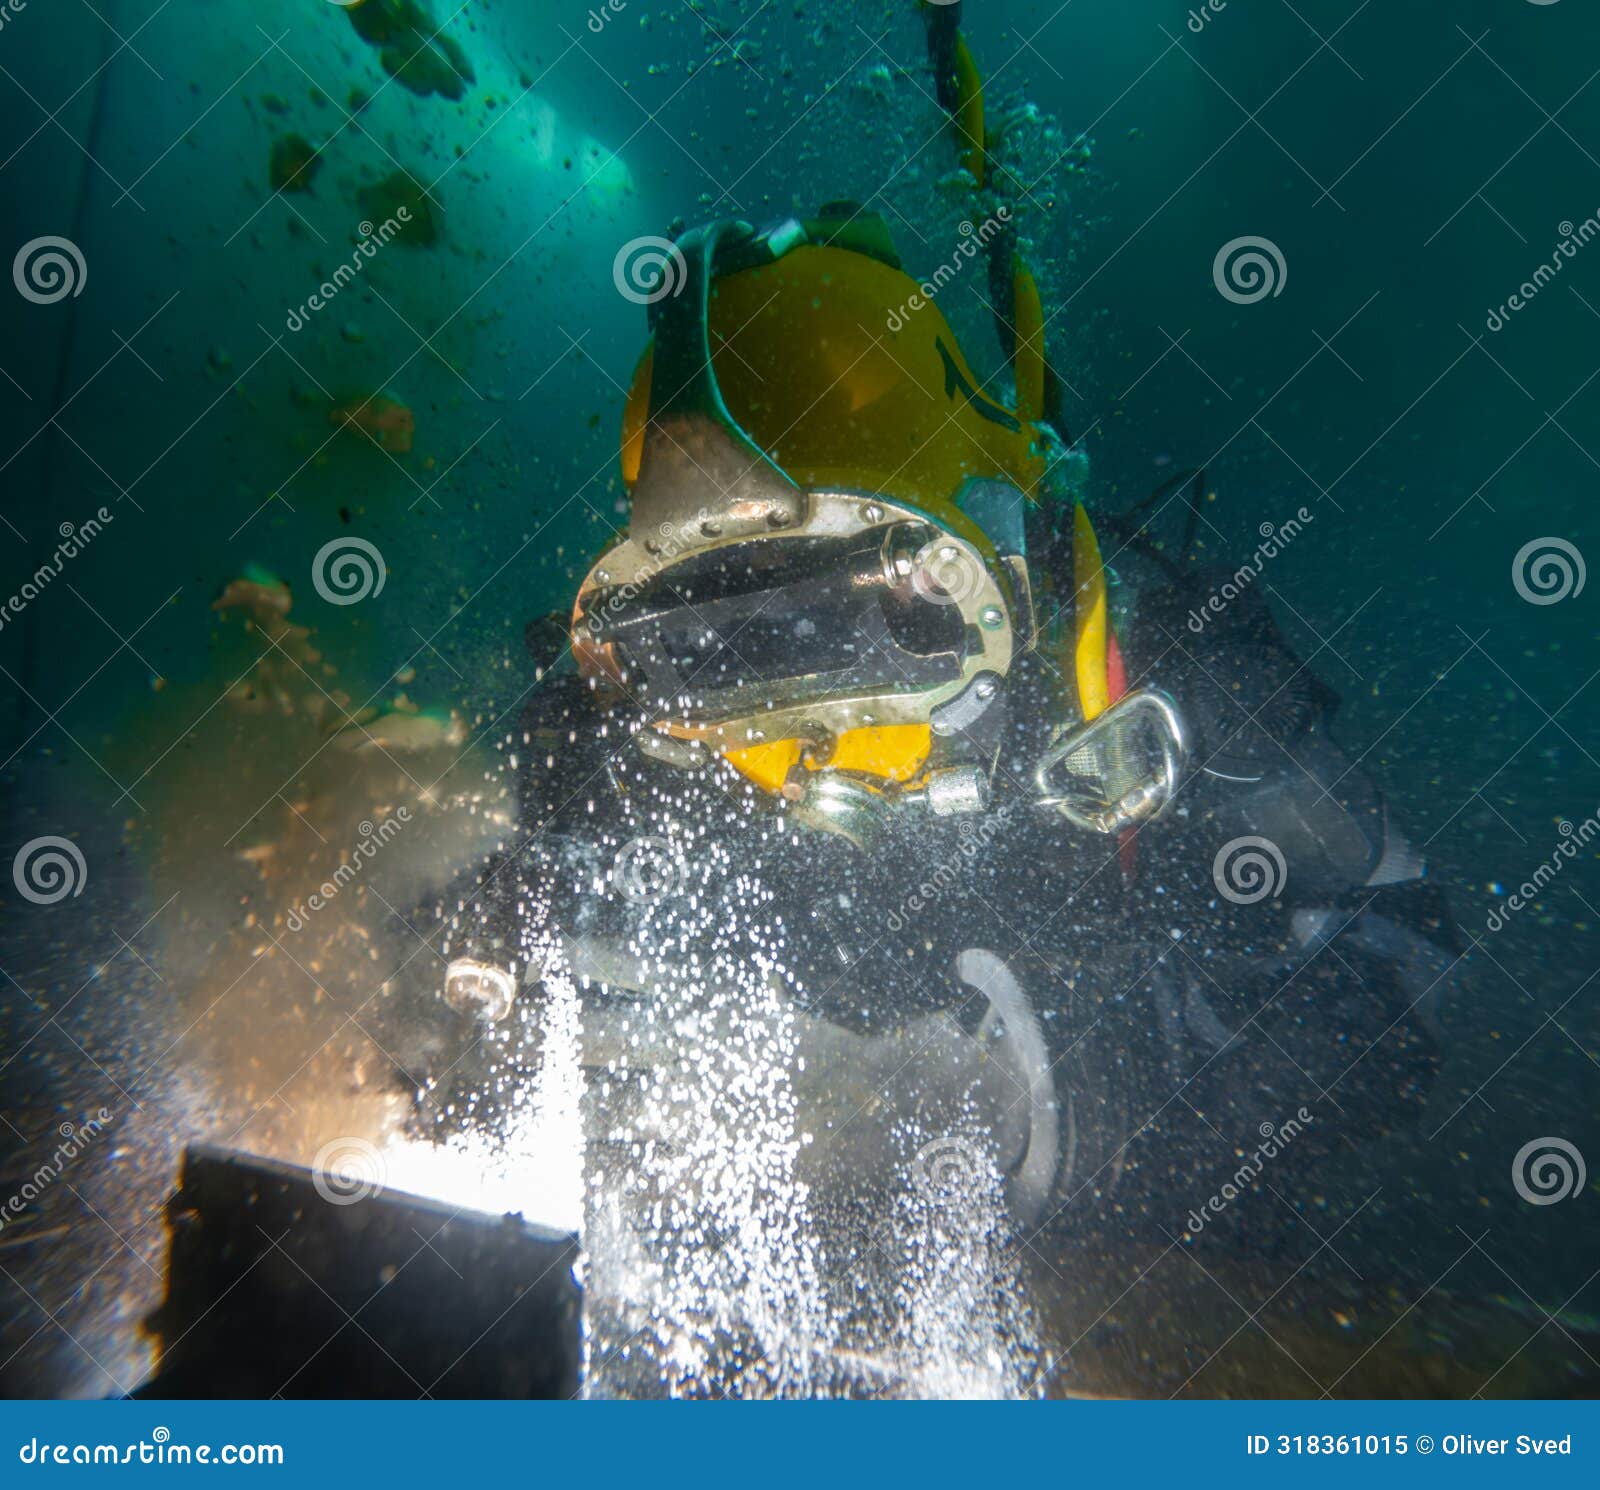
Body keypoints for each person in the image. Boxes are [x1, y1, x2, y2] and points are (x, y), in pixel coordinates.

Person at [420, 189, 1457, 1249]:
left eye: (879, 621)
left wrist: (1099, 1112)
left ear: (997, 546)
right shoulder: (626, 714)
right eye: (726, 638)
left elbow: (1403, 978)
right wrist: (488, 984)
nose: (811, 724)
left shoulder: (1175, 702)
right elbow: (455, 932)